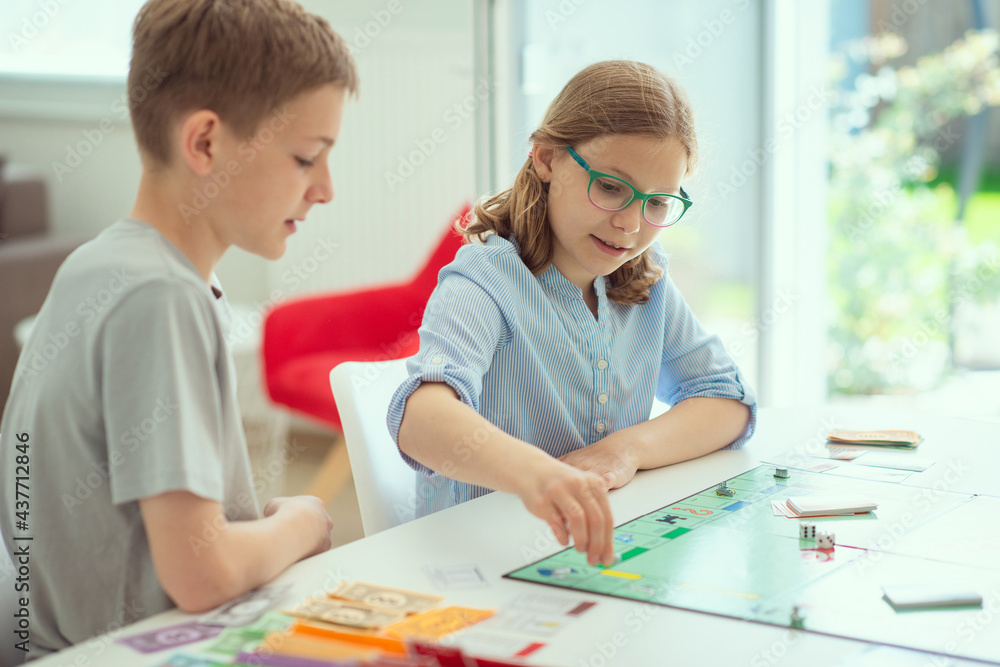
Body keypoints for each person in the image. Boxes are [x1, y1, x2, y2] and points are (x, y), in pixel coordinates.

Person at [0, 0, 357, 656]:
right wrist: (303, 521)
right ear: (205, 143)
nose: (325, 188)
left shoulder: (99, 262)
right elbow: (203, 573)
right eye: (307, 158)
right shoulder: (161, 296)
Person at [389, 61, 756, 568]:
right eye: (610, 187)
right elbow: (420, 420)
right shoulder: (485, 280)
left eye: (657, 203)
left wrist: (626, 450)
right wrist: (538, 475)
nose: (629, 224)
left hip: (591, 556)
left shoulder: (646, 281)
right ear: (546, 159)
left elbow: (727, 402)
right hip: (483, 564)